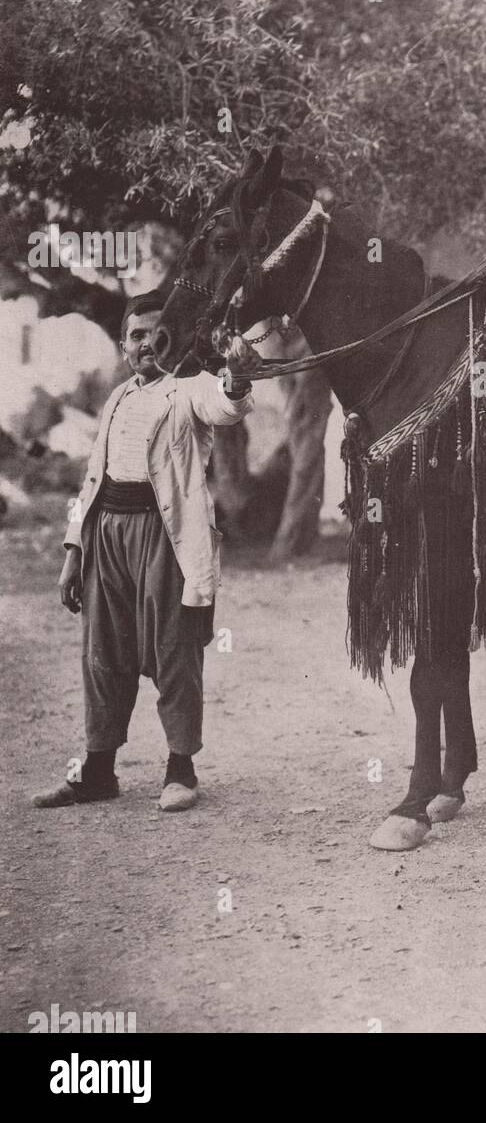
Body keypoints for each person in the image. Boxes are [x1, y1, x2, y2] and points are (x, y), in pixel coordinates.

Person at [33, 290, 256, 812]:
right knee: (102, 654)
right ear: (124, 344)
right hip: (105, 538)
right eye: (137, 335)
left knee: (174, 649)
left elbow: (228, 405)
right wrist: (73, 551)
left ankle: (181, 769)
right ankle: (97, 771)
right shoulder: (118, 398)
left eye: (157, 334)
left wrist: (238, 377)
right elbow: (91, 479)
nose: (147, 344)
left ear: (171, 338)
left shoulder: (191, 389)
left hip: (165, 538)